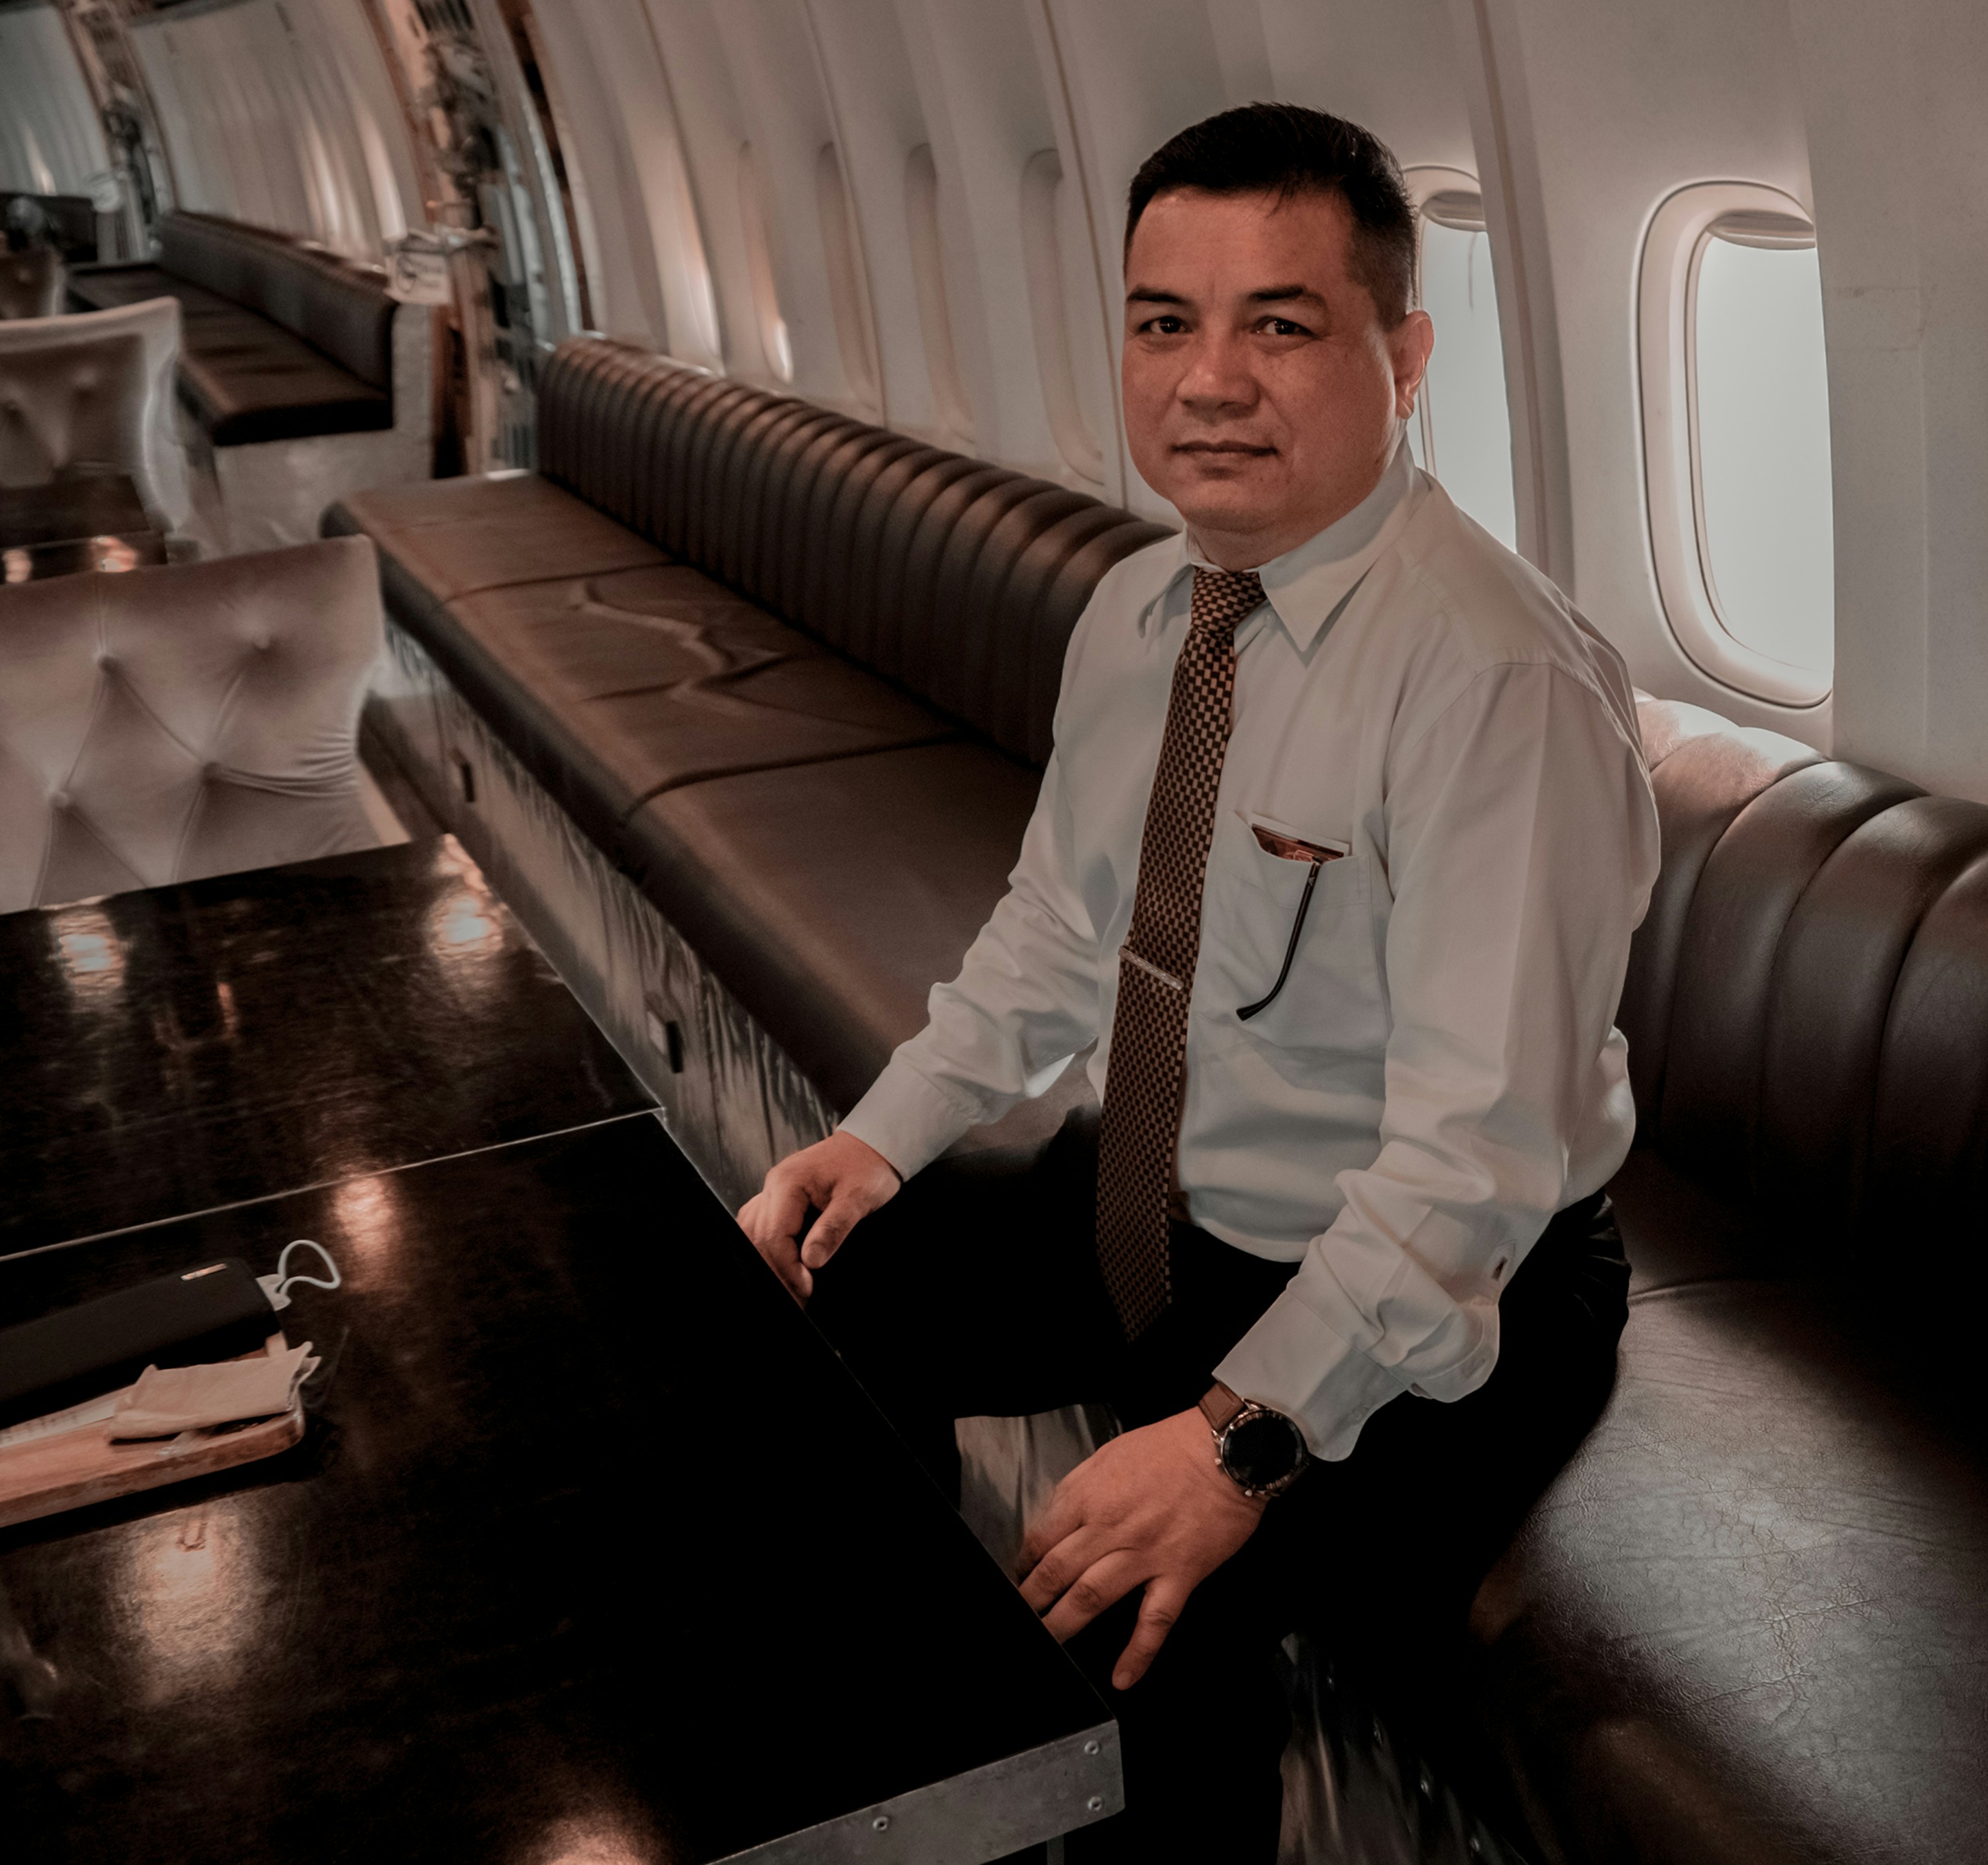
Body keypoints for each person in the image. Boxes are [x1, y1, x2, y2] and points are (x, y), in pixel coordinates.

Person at [739, 101, 1657, 1860]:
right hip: (1153, 1200)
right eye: (1165, 321)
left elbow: (1469, 1166)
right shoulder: (1146, 605)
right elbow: (1057, 931)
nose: (1207, 379)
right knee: (817, 1298)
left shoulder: (1491, 684)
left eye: (1278, 324)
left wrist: (1228, 1444)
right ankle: (905, 1768)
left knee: (1127, 1607)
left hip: (1439, 1284)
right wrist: (876, 1140)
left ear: (1402, 354)